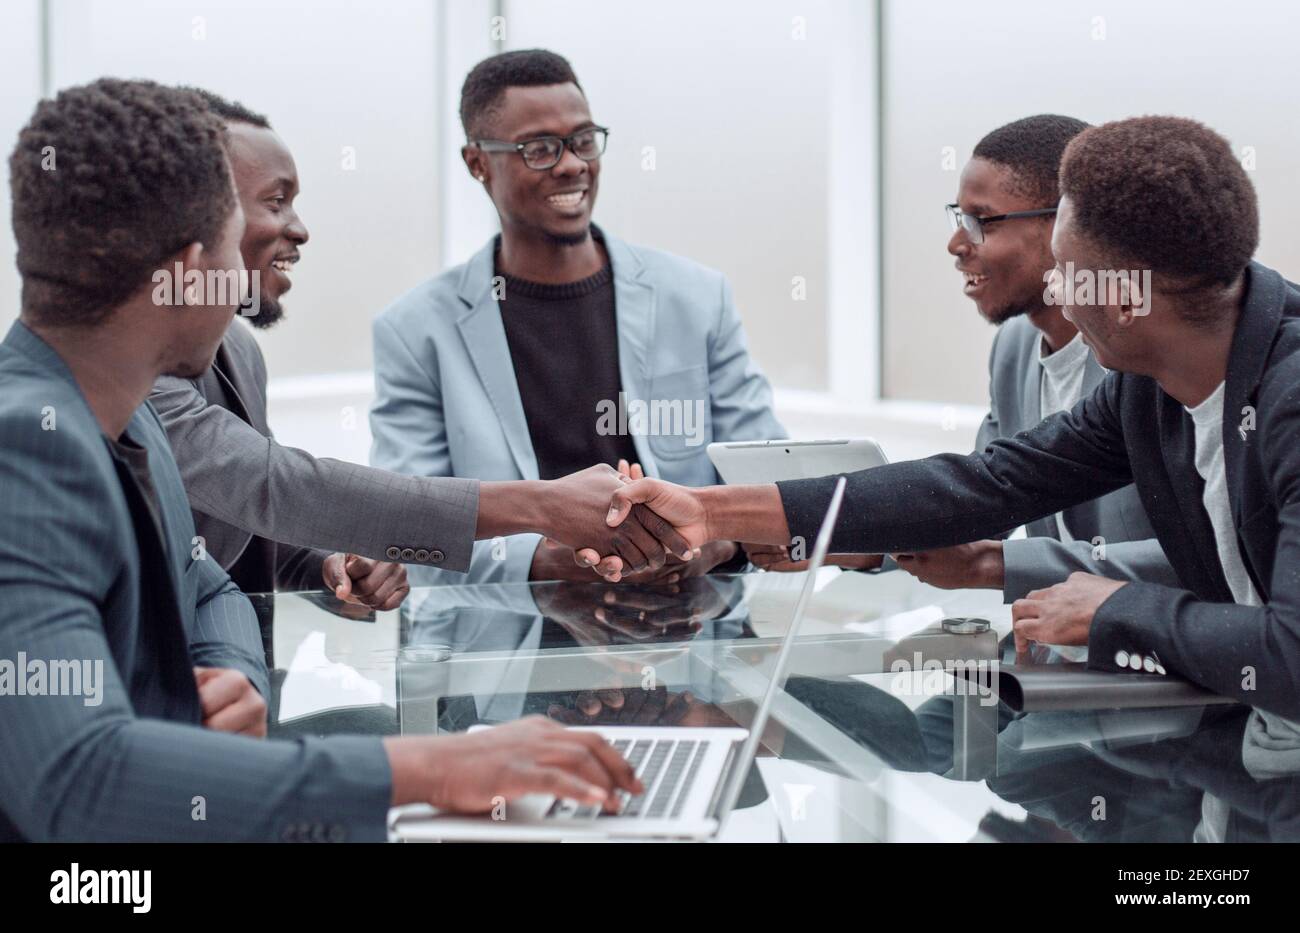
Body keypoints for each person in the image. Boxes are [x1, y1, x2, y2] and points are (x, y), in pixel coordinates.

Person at [0, 79, 670, 841]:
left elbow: (207, 578)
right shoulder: (26, 451)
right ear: (193, 269)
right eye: (239, 227)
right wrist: (427, 769)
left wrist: (236, 681)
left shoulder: (126, 421)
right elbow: (74, 781)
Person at [601, 116, 1300, 738]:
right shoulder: (1145, 391)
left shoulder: (1287, 401)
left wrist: (1122, 607)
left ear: (1120, 300)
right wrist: (706, 508)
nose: (1058, 294)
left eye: (1068, 275)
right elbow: (985, 484)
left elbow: (1292, 654)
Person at [369, 49, 784, 586]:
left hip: (692, 625)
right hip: (507, 649)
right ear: (477, 163)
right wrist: (547, 564)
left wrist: (710, 544)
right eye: (538, 148)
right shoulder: (416, 330)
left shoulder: (697, 296)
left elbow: (769, 480)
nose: (571, 164)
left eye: (584, 141)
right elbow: (409, 526)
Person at [748, 114, 1176, 601]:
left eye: (981, 221)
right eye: (959, 218)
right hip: (1056, 653)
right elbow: (980, 498)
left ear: (1064, 225)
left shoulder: (1152, 354)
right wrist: (854, 542)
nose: (956, 244)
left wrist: (997, 564)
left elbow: (1207, 560)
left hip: (1156, 655)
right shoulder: (1015, 347)